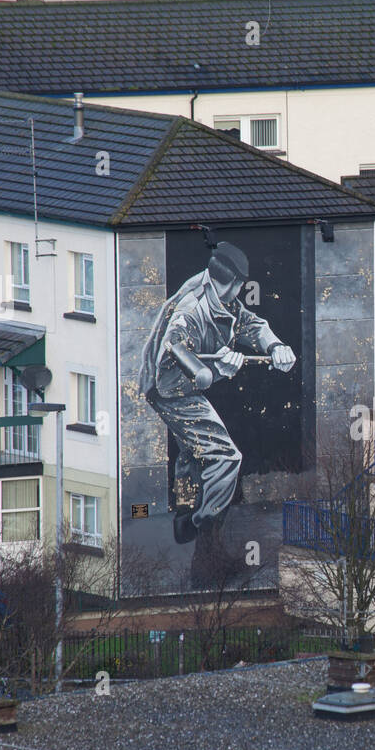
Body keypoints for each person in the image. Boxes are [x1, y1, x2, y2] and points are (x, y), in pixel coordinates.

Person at [138, 242, 296, 579]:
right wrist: (217, 369)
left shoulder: (216, 292)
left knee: (194, 452)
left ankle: (184, 514)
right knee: (224, 457)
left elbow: (249, 323)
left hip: (175, 384)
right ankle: (206, 533)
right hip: (170, 389)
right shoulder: (191, 310)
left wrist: (275, 346)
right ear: (236, 282)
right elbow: (179, 348)